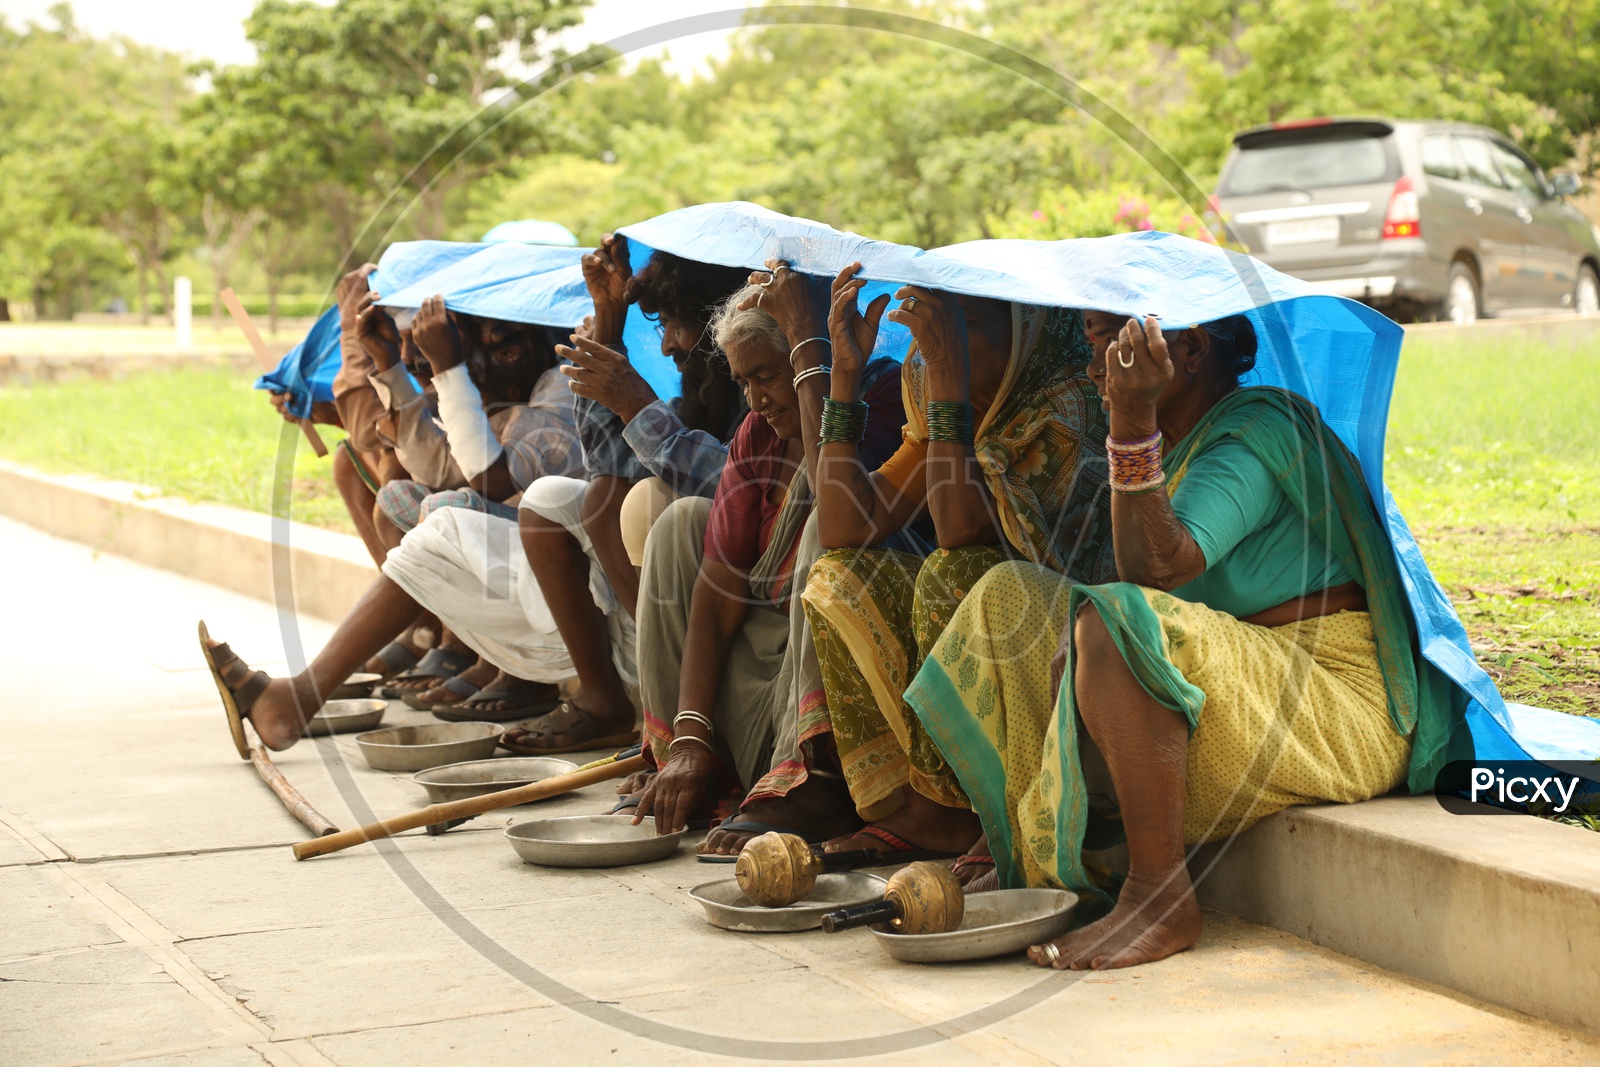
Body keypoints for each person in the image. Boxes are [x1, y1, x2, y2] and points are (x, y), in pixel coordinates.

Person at [906, 312, 1466, 970]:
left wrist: (1132, 418)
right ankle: (1026, 847)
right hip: (1240, 687)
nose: (1096, 368)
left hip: (1335, 698)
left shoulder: (1254, 433)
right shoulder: (1181, 446)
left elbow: (1157, 573)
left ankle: (1160, 895)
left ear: (1190, 349)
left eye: (1109, 344)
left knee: (1115, 619)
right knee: (1007, 596)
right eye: (1093, 346)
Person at [703, 261, 1116, 860]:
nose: (937, 338)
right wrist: (841, 375)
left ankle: (963, 810)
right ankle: (922, 808)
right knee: (840, 573)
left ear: (1022, 332)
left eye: (964, 322)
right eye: (934, 323)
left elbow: (959, 532)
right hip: (996, 638)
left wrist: (946, 377)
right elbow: (845, 523)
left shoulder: (1067, 403)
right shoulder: (940, 390)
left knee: (955, 577)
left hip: (1076, 659)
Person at [629, 283, 903, 833]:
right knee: (678, 524)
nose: (755, 400)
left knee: (828, 512)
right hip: (767, 667)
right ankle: (689, 762)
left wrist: (810, 361)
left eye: (768, 375)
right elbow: (718, 584)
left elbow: (839, 491)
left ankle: (811, 781)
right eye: (744, 381)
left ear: (810, 354)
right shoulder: (756, 433)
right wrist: (689, 737)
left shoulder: (886, 398)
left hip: (847, 669)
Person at [493, 240, 748, 751]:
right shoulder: (702, 392)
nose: (668, 347)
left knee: (641, 500)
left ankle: (680, 716)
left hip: (749, 578)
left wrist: (637, 402)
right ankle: (650, 705)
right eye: (663, 327)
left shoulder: (765, 386)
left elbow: (740, 488)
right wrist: (608, 324)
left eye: (679, 325)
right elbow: (610, 465)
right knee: (583, 497)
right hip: (688, 583)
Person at [353, 294, 585, 717]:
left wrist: (450, 369)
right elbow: (438, 466)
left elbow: (492, 482)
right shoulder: (499, 383)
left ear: (509, 350)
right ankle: (486, 653)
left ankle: (516, 669)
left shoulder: (560, 385)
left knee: (448, 511)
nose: (419, 361)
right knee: (399, 500)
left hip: (571, 556)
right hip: (522, 543)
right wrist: (387, 365)